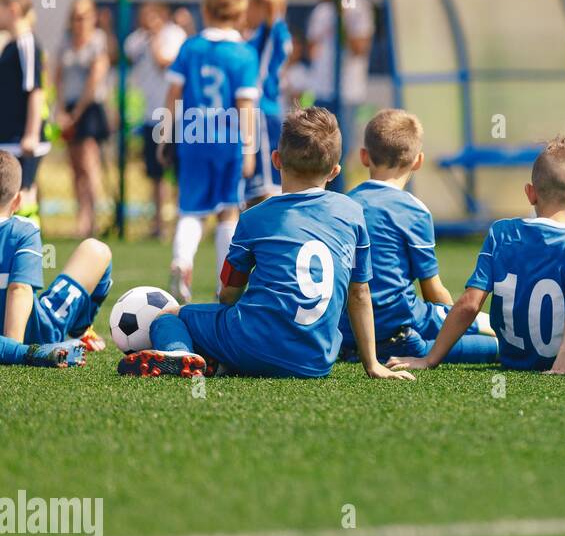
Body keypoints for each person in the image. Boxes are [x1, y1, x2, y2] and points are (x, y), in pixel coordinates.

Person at [118, 107, 412, 383]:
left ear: (276, 160)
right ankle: (217, 361)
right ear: (335, 171)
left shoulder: (255, 217)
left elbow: (229, 293)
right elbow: (359, 294)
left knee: (169, 317)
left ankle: (180, 355)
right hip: (315, 361)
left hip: (253, 344)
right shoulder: (352, 213)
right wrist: (372, 363)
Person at [390, 136, 565, 375]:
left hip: (515, 358)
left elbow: (469, 303)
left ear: (530, 193)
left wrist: (430, 359)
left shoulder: (501, 232)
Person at [340, 108, 497, 363]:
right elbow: (433, 292)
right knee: (495, 338)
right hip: (400, 332)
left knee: (475, 323)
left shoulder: (343, 204)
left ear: (364, 156)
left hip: (346, 332)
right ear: (418, 161)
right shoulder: (414, 210)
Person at [163, 0, 261, 303]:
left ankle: (182, 261)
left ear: (205, 10)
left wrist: (165, 134)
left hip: (193, 139)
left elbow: (174, 94)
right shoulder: (245, 54)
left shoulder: (190, 48)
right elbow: (245, 104)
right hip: (228, 142)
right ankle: (225, 284)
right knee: (228, 212)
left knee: (190, 209)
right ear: (241, 13)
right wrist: (249, 150)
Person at [0, 152, 112, 369]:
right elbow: (20, 288)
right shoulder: (23, 230)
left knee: (95, 249)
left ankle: (79, 329)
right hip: (39, 335)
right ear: (18, 200)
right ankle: (78, 330)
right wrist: (16, 348)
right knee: (96, 250)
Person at [306, 0, 373, 193]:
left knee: (341, 149)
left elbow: (359, 48)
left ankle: (339, 195)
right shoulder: (320, 12)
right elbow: (313, 49)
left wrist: (343, 17)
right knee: (320, 147)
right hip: (322, 89)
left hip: (348, 91)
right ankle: (321, 193)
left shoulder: (359, 8)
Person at [124, 2, 187, 238]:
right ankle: (158, 225)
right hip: (151, 115)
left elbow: (164, 62)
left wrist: (157, 38)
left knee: (179, 173)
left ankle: (181, 222)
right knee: (155, 174)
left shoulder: (174, 35)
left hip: (176, 116)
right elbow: (128, 53)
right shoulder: (138, 39)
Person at [54, 0, 111, 238]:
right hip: (69, 108)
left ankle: (93, 219)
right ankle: (82, 218)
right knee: (75, 166)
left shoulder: (98, 41)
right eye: (75, 17)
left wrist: (76, 114)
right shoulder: (66, 42)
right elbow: (58, 76)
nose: (79, 22)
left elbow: (95, 77)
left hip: (89, 109)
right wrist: (61, 110)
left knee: (89, 163)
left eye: (84, 17)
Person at [243, 0, 293, 207]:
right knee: (252, 190)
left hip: (263, 113)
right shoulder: (257, 33)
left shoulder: (274, 30)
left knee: (268, 187)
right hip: (257, 111)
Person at [0, 0, 47, 223]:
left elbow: (35, 90)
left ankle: (29, 253)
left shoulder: (26, 43)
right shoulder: (10, 44)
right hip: (8, 136)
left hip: (22, 139)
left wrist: (31, 134)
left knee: (24, 195)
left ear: (13, 8)